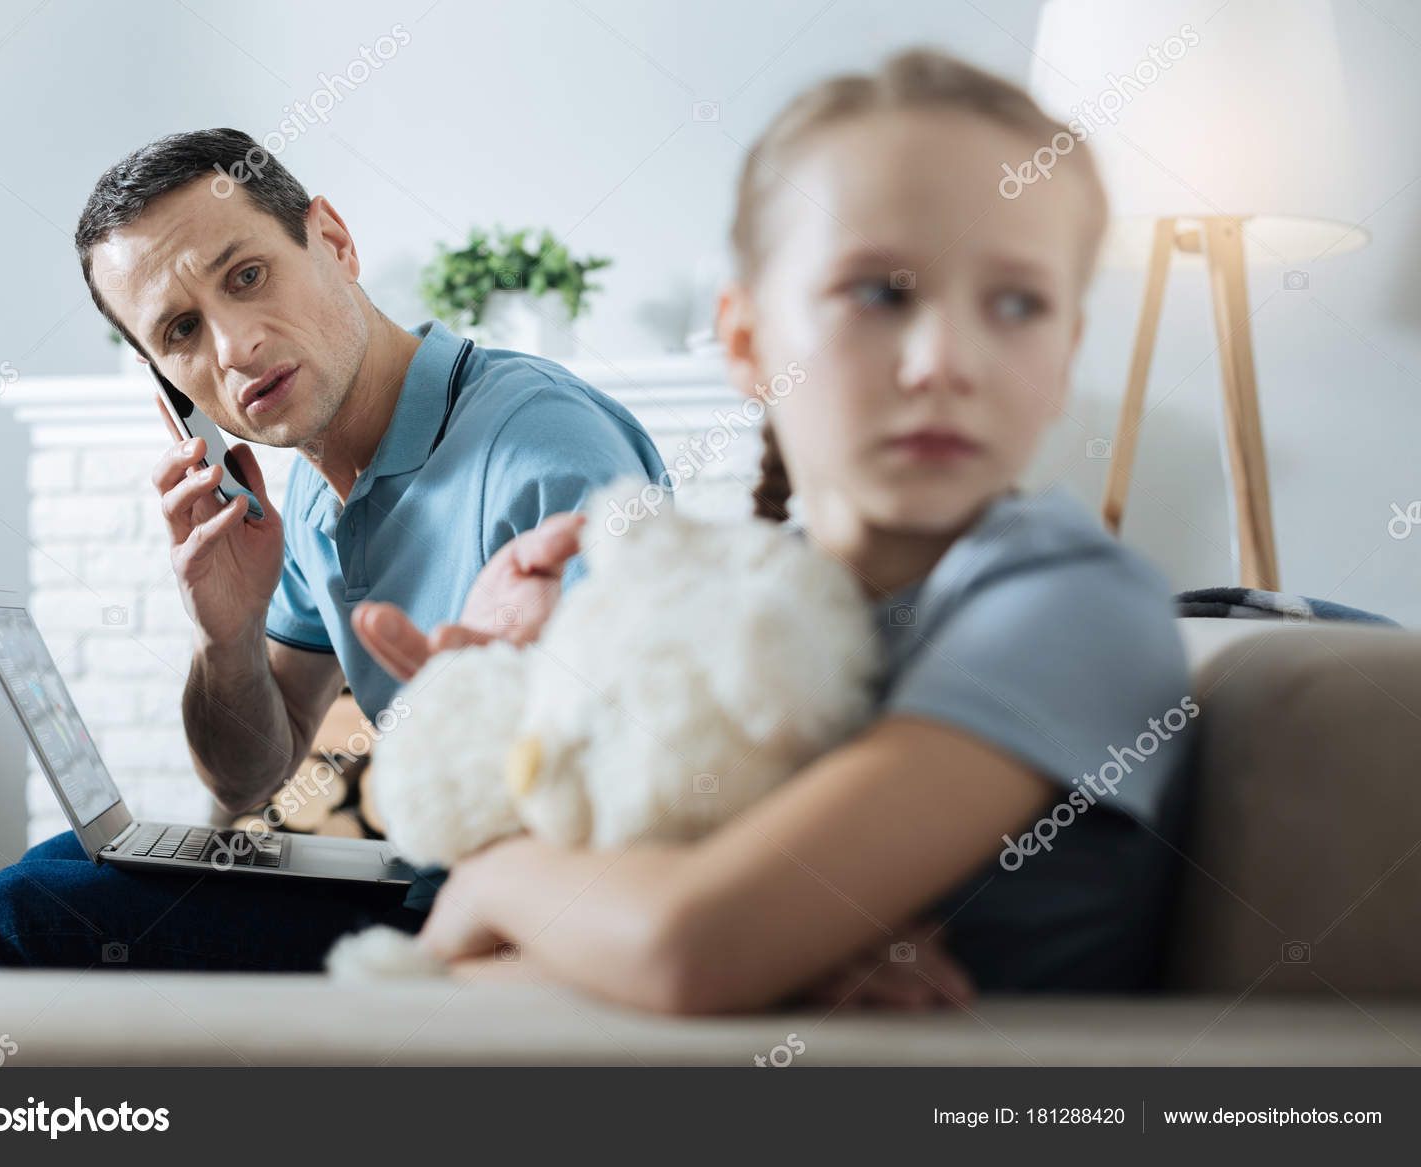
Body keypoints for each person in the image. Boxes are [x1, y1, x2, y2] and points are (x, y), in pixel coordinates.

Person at [357, 49, 1196, 1013]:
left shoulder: (1075, 605)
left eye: (1017, 303)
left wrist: (496, 875)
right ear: (749, 342)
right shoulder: (740, 612)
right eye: (881, 292)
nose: (944, 361)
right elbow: (540, 945)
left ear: (1063, 359)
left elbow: (686, 946)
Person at [0, 129, 667, 969]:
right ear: (169, 386)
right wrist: (227, 632)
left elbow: (634, 785)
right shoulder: (316, 485)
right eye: (179, 331)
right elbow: (248, 777)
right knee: (58, 864)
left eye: (247, 276)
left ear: (335, 241)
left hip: (524, 912)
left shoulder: (548, 450)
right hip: (427, 877)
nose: (234, 347)